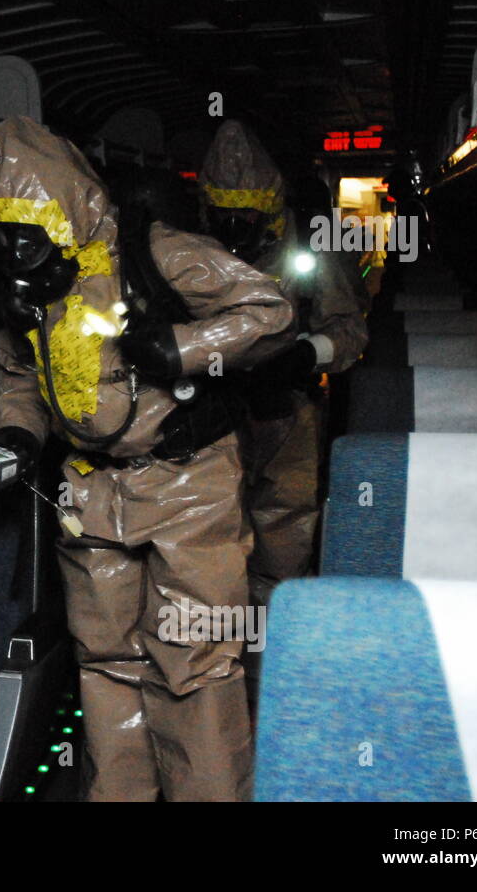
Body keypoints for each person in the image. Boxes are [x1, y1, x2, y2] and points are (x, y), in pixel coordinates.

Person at [0, 116, 293, 801]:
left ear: (74, 215)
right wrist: (19, 434)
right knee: (106, 660)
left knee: (193, 666)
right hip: (91, 491)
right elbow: (17, 374)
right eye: (5, 235)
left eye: (31, 234)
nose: (17, 252)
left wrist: (184, 345)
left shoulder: (161, 255)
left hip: (189, 484)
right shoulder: (30, 292)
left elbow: (271, 312)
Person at [198, 120, 369, 701]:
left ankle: (269, 686)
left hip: (287, 417)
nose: (234, 228)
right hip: (207, 423)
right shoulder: (189, 251)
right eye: (221, 214)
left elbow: (349, 332)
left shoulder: (310, 246)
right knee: (208, 559)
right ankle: (213, 686)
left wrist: (304, 354)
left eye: (245, 216)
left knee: (280, 550)